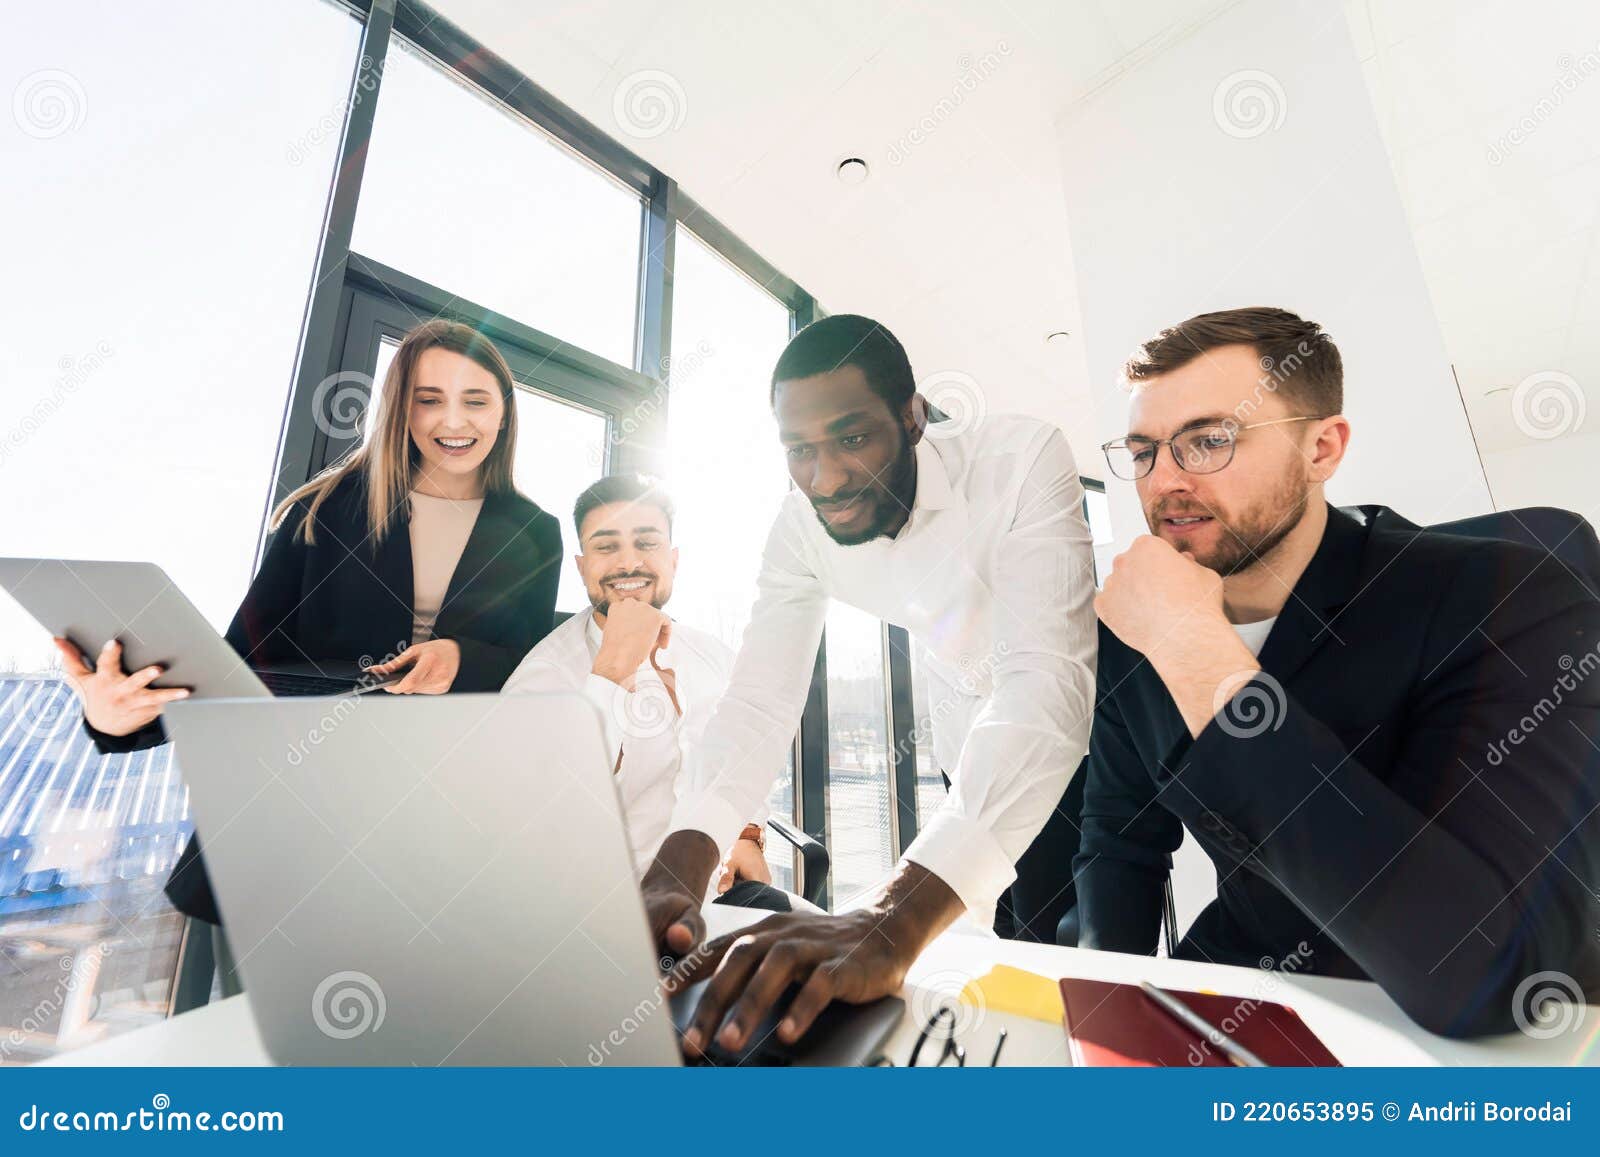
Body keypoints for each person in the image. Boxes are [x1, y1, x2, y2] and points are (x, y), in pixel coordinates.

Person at [1075, 306, 1600, 1038]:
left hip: (1455, 1045)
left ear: (1322, 448)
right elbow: (1118, 840)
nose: (1163, 481)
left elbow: (1487, 974)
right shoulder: (1133, 636)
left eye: (1209, 440)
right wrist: (1102, 1014)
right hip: (1247, 995)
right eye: (1143, 452)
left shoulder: (1511, 598)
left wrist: (1194, 649)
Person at [643, 314, 1098, 1057]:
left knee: (1079, 970)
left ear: (912, 417)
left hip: (1078, 742)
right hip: (965, 747)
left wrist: (889, 917)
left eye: (853, 437)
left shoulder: (1021, 458)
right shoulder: (798, 529)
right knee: (992, 961)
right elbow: (759, 700)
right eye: (799, 450)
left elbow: (1044, 685)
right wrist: (678, 863)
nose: (825, 479)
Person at [56, 319, 563, 925]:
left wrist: (462, 661)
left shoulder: (535, 532)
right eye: (429, 400)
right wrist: (118, 722)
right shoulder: (327, 509)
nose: (453, 421)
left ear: (504, 412)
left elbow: (533, 674)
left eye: (475, 400)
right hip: (297, 805)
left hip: (440, 820)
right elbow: (238, 665)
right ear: (401, 410)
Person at [502, 474, 791, 910]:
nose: (628, 562)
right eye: (606, 546)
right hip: (596, 910)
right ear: (582, 567)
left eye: (647, 543)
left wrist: (746, 833)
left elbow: (740, 760)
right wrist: (611, 671)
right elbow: (543, 815)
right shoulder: (543, 676)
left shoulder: (714, 656)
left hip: (715, 898)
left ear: (673, 560)